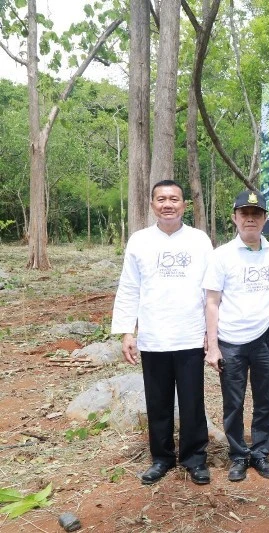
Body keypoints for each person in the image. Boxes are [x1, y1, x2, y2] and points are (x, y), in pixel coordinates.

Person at [111, 179, 212, 485]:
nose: (168, 204)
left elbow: (211, 290)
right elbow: (129, 287)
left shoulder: (199, 240)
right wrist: (127, 331)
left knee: (193, 401)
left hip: (190, 333)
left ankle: (195, 458)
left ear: (184, 205)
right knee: (158, 401)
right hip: (153, 335)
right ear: (152, 204)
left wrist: (211, 331)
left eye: (174, 199)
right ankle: (162, 457)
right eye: (161, 199)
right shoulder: (139, 241)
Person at [203, 190, 269, 482]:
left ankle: (261, 453)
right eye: (244, 214)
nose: (250, 219)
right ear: (234, 218)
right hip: (231, 342)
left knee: (266, 401)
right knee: (234, 402)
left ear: (265, 219)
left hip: (266, 341)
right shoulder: (221, 255)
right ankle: (239, 455)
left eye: (256, 214)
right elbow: (212, 302)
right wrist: (213, 346)